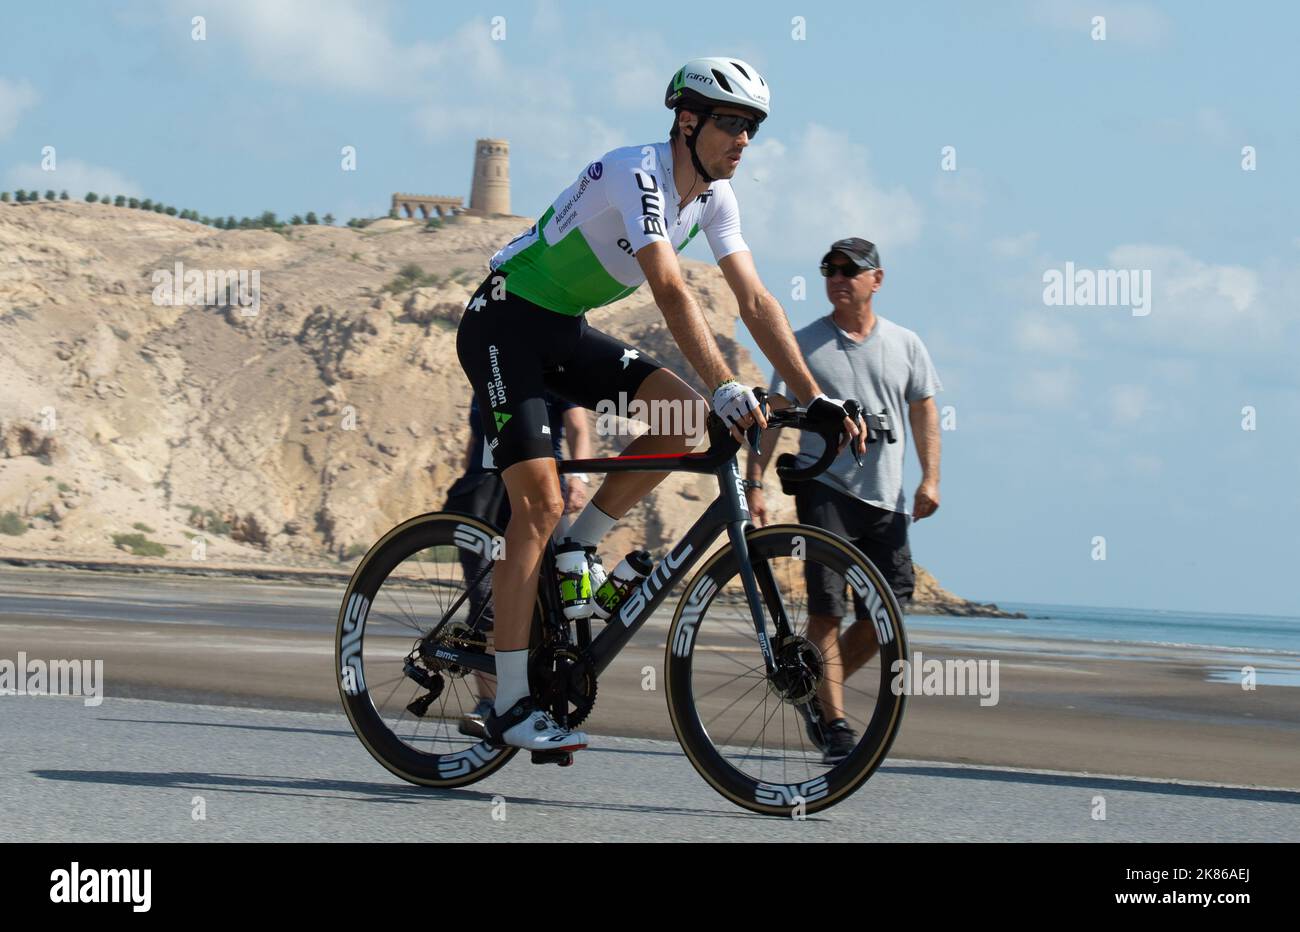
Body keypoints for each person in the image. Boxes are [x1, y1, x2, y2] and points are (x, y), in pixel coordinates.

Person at [455, 57, 865, 755]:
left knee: (686, 421)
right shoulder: (637, 170)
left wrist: (815, 395)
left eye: (752, 129)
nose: (743, 140)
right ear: (688, 120)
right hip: (503, 323)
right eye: (731, 124)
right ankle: (510, 705)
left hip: (563, 330)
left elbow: (757, 301)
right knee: (538, 505)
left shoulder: (715, 199)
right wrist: (726, 382)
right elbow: (670, 289)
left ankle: (577, 551)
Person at [745, 237, 942, 763]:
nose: (837, 278)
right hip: (824, 487)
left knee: (888, 615)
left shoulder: (906, 344)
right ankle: (835, 726)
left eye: (849, 270)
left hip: (887, 498)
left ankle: (807, 680)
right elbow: (775, 415)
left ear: (877, 279)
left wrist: (931, 480)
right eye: (829, 269)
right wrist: (755, 480)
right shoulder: (803, 344)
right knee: (827, 610)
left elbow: (924, 409)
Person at [441, 393, 592, 737]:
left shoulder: (548, 369)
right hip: (487, 496)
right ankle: (491, 704)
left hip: (539, 493)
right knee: (487, 605)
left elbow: (578, 427)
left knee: (566, 601)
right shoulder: (487, 380)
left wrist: (579, 477)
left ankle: (549, 694)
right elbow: (475, 442)